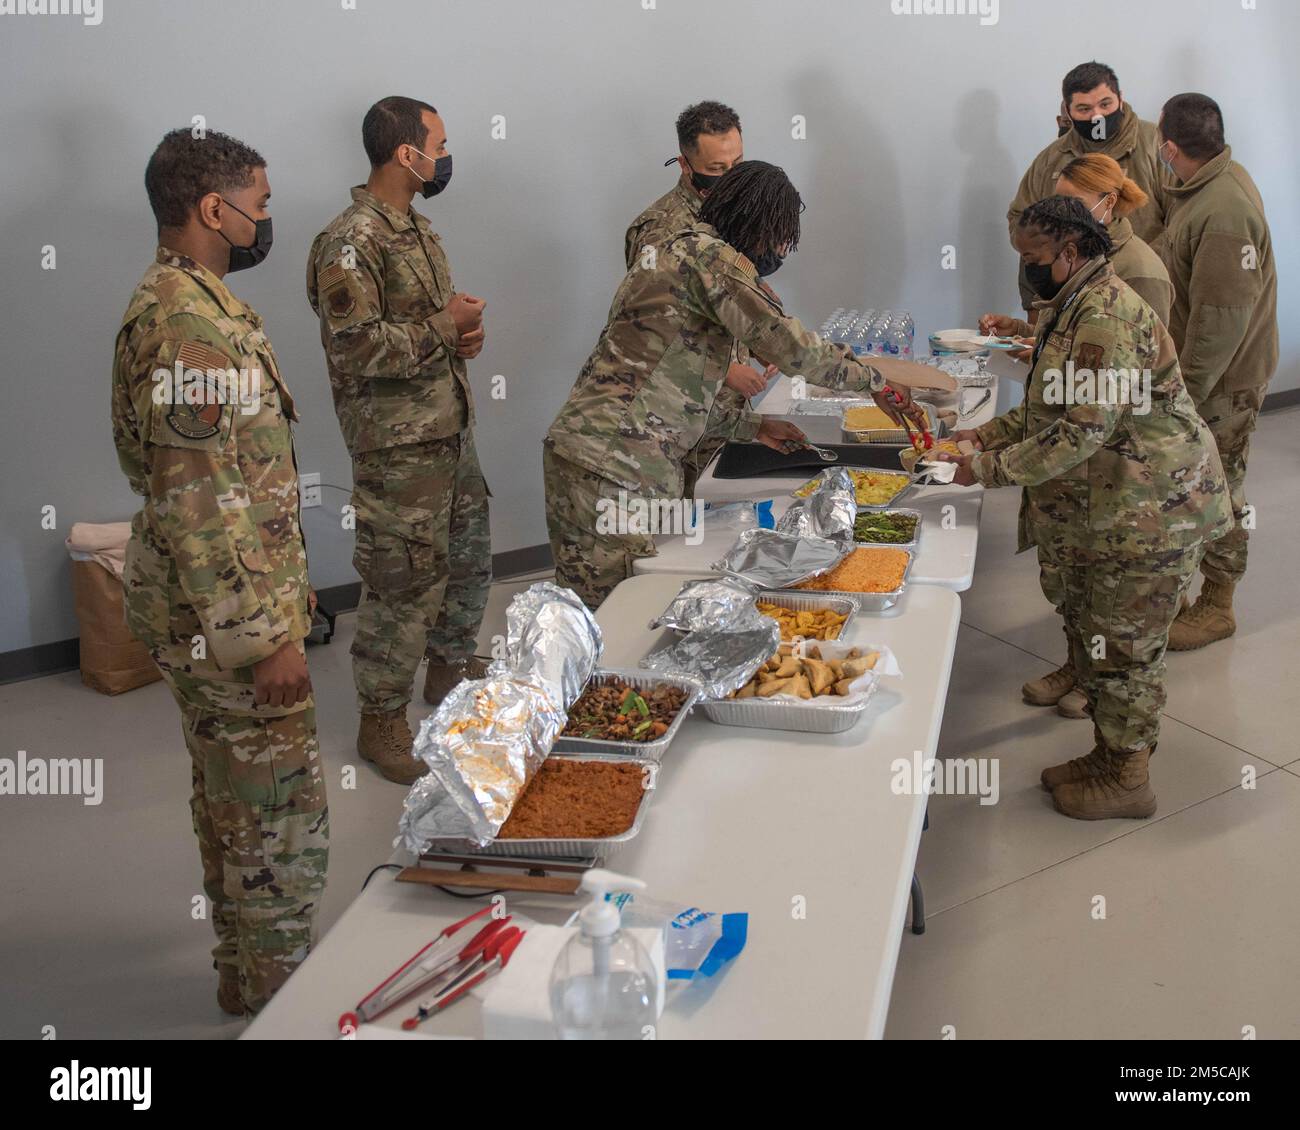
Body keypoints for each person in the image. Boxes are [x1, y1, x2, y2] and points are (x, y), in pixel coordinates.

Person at [112, 129, 327, 1015]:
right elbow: (196, 495)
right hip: (225, 624)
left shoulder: (195, 302)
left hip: (217, 599)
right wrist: (263, 636)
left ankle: (245, 982)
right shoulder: (188, 329)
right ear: (214, 210)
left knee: (234, 799)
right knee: (278, 818)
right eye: (261, 204)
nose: (266, 218)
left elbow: (238, 478)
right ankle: (283, 1004)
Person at [946, 197, 1230, 821]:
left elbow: (1083, 431)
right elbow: (1045, 410)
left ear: (1069, 251)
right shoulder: (1071, 306)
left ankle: (1129, 778)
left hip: (1151, 506)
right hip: (1108, 504)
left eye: (1033, 258)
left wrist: (987, 469)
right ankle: (1108, 755)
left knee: (1124, 649)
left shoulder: (1104, 316)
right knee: (1093, 630)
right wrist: (978, 438)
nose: (1026, 270)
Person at [544, 160, 929, 610]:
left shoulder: (679, 250)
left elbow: (671, 385)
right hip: (614, 466)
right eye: (781, 237)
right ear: (757, 223)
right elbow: (796, 350)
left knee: (609, 603)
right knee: (612, 611)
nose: (782, 251)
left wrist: (752, 426)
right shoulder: (714, 262)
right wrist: (876, 382)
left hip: (601, 458)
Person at [307, 96, 491, 785]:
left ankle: (447, 670)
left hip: (448, 427)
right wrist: (444, 327)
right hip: (397, 448)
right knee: (402, 581)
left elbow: (427, 329)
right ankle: (380, 721)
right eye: (438, 143)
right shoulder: (351, 241)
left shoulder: (415, 229)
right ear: (405, 153)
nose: (445, 155)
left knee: (468, 560)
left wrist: (464, 333)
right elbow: (354, 348)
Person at [1155, 93, 1278, 651]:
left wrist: (1187, 395)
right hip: (1211, 375)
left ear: (1169, 146)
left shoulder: (1223, 211)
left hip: (1222, 382)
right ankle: (1181, 593)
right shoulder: (1203, 187)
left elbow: (1220, 324)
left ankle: (1218, 606)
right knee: (1196, 487)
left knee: (1220, 491)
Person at [625, 100, 775, 497]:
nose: (730, 177)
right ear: (684, 165)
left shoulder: (733, 215)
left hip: (732, 412)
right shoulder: (660, 230)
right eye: (716, 170)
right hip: (683, 414)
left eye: (737, 164)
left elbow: (737, 294)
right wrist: (726, 371)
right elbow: (646, 330)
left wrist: (762, 341)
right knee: (688, 534)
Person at [1008, 61, 1168, 319]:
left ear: (1121, 98)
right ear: (1068, 113)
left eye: (1105, 104)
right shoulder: (1052, 158)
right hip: (1066, 296)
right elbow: (1020, 220)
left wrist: (1138, 262)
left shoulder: (1155, 145)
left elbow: (1181, 225)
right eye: (1084, 108)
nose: (1097, 116)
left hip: (1137, 285)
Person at [1055, 153, 1174, 326]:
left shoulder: (1140, 271)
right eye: (1058, 202)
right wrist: (1024, 332)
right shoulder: (1070, 253)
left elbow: (1149, 347)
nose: (1063, 212)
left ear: (1109, 201)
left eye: (1076, 204)